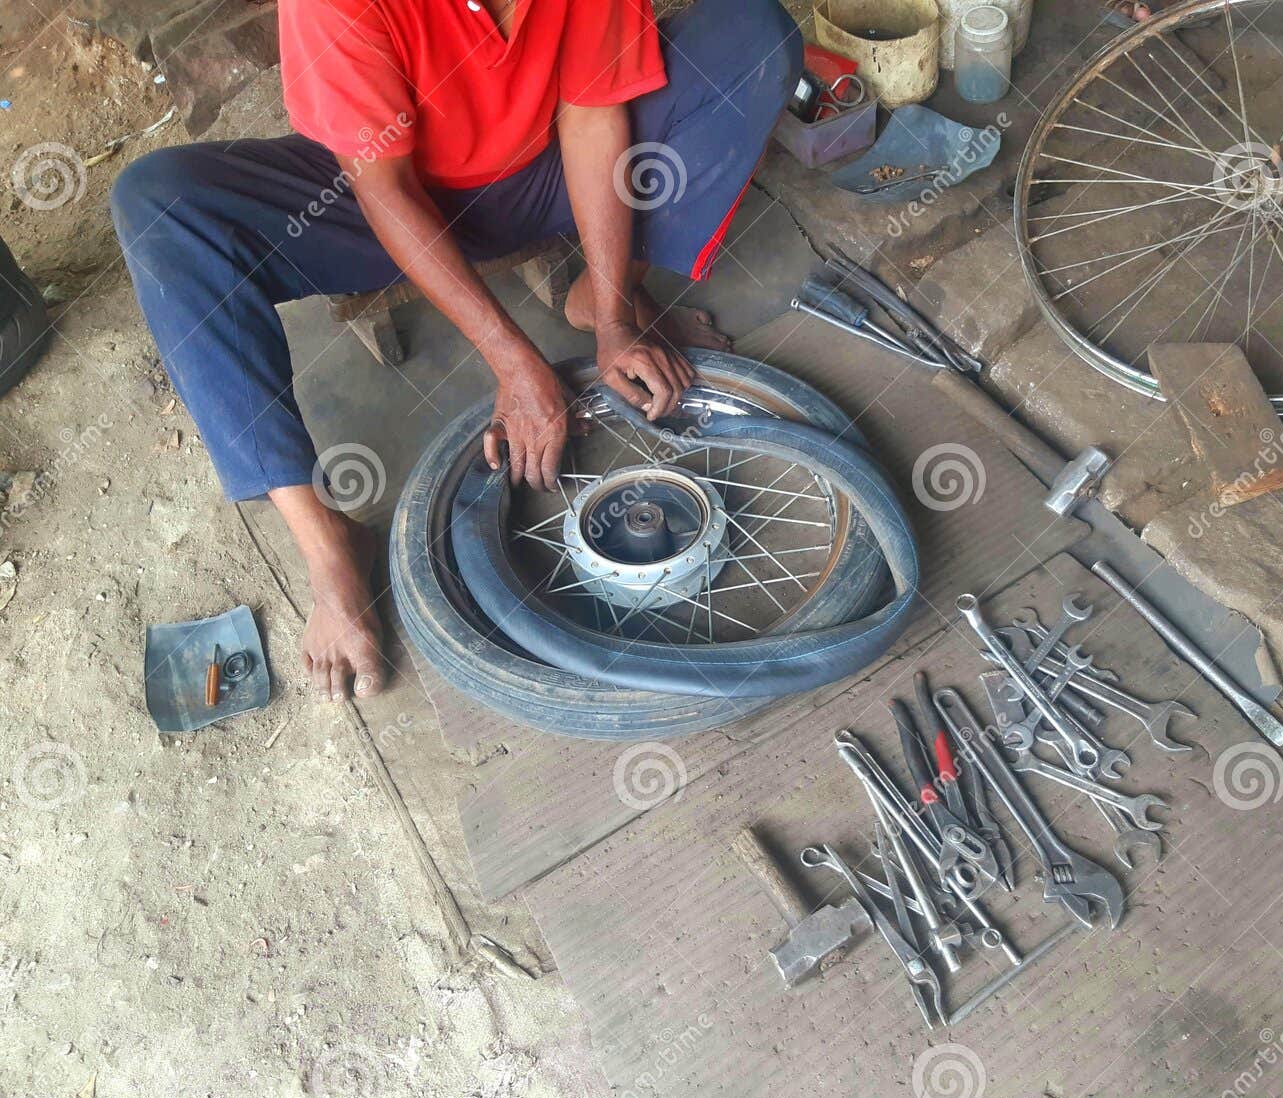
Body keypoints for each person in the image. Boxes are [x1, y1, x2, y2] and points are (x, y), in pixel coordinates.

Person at [110, 0, 802, 703]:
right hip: (376, 199)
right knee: (160, 202)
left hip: (545, 170)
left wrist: (615, 310)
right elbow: (384, 186)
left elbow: (593, 113)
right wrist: (514, 360)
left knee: (753, 35)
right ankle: (328, 547)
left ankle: (601, 289)